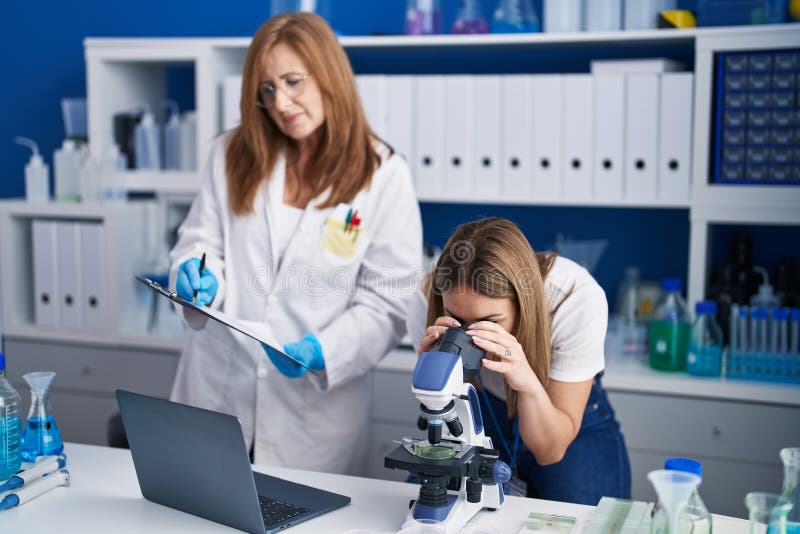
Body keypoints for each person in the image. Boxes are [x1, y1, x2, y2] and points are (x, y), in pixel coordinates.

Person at [168, 12, 422, 475]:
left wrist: (326, 350)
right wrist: (196, 273)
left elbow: (389, 301)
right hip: (217, 391)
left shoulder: (383, 174)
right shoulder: (231, 154)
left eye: (292, 82)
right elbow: (202, 242)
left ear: (328, 76)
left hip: (312, 418)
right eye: (266, 90)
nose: (280, 102)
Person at [407, 218, 630, 505]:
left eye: (489, 322)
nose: (472, 336)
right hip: (482, 409)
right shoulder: (425, 299)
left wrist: (528, 383)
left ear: (522, 304)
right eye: (458, 321)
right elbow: (445, 416)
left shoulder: (573, 297)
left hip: (563, 417)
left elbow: (550, 451)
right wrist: (433, 374)